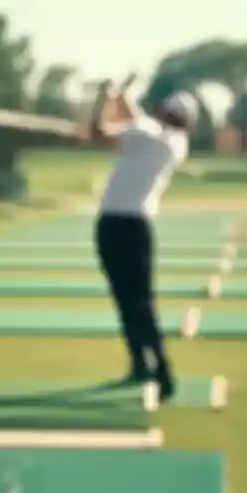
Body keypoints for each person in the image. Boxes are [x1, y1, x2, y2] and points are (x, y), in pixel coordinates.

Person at [91, 80, 198, 401]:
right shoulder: (173, 142)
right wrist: (122, 95)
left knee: (132, 301)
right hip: (133, 226)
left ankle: (162, 369)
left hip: (115, 224)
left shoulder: (147, 135)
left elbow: (97, 133)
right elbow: (137, 119)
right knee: (134, 300)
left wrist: (104, 98)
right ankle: (141, 362)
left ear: (165, 111)